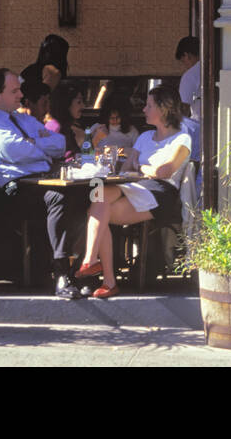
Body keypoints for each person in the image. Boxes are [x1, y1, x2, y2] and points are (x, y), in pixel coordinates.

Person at [0, 68, 89, 300]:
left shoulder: (23, 119)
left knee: (87, 193)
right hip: (13, 187)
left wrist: (31, 142)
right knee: (59, 197)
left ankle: (81, 270)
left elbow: (59, 143)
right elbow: (13, 151)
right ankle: (62, 272)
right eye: (14, 91)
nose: (20, 96)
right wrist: (37, 145)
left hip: (41, 180)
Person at [76, 86, 195, 298]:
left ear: (164, 109)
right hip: (137, 185)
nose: (144, 110)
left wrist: (142, 168)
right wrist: (144, 170)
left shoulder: (182, 138)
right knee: (99, 197)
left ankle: (102, 274)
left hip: (161, 193)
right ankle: (92, 262)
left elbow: (165, 171)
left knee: (98, 212)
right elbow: (127, 168)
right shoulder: (145, 136)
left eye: (149, 106)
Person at [48, 80, 88, 156]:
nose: (83, 106)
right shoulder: (54, 127)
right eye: (79, 102)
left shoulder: (67, 128)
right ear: (66, 103)